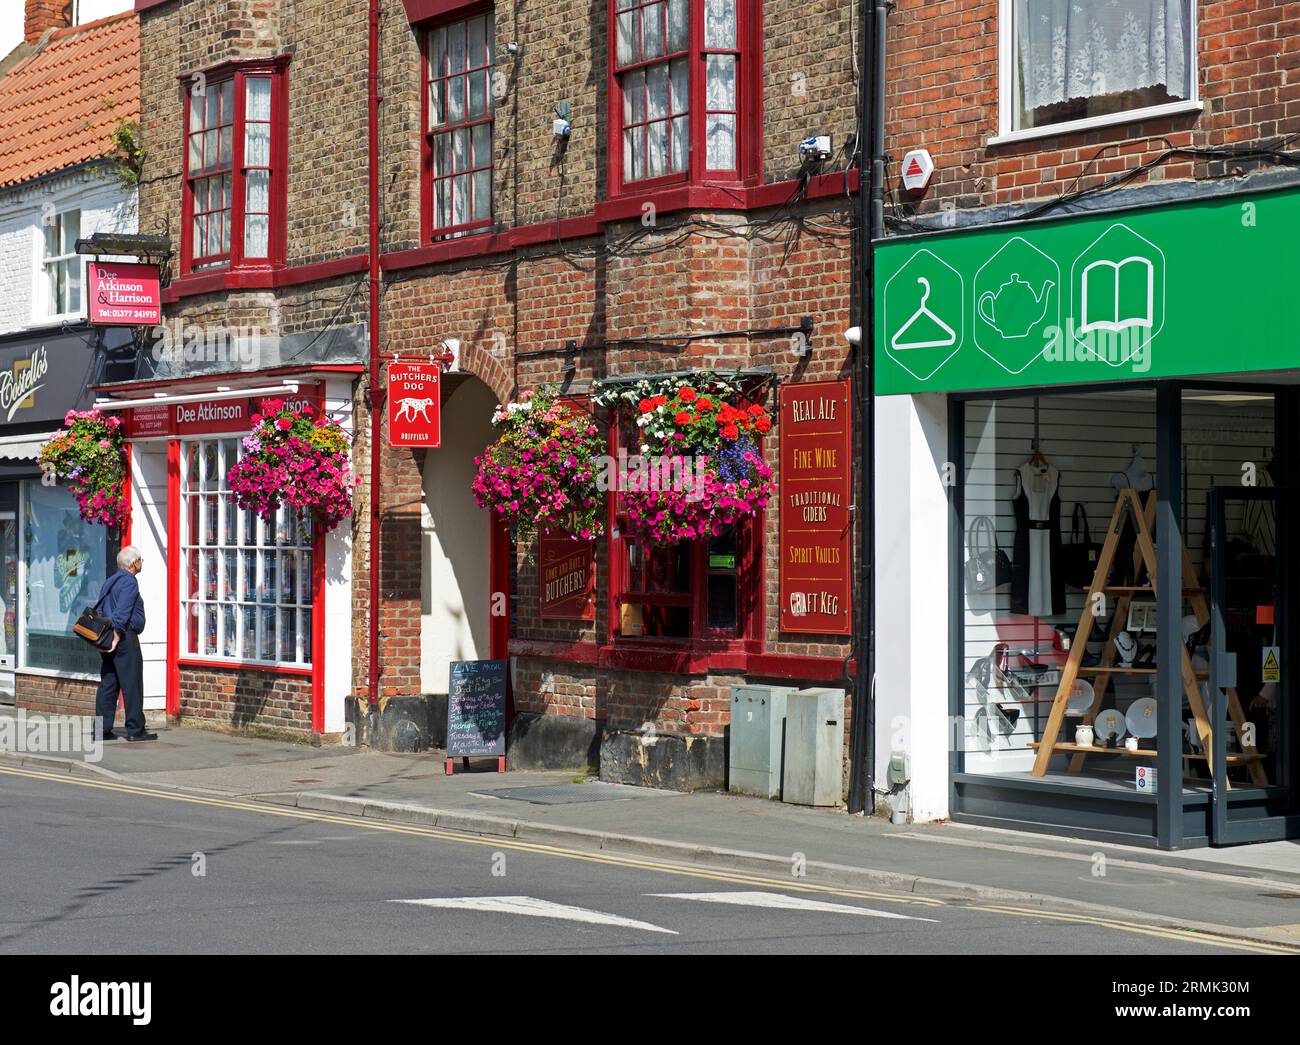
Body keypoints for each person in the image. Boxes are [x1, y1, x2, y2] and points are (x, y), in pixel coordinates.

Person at [94, 546, 154, 742]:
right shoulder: (129, 582)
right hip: (123, 639)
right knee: (132, 684)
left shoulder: (110, 580)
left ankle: (102, 730)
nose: (141, 563)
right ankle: (136, 730)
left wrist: (107, 637)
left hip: (108, 637)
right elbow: (123, 611)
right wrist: (117, 635)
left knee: (108, 683)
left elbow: (102, 608)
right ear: (134, 563)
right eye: (140, 560)